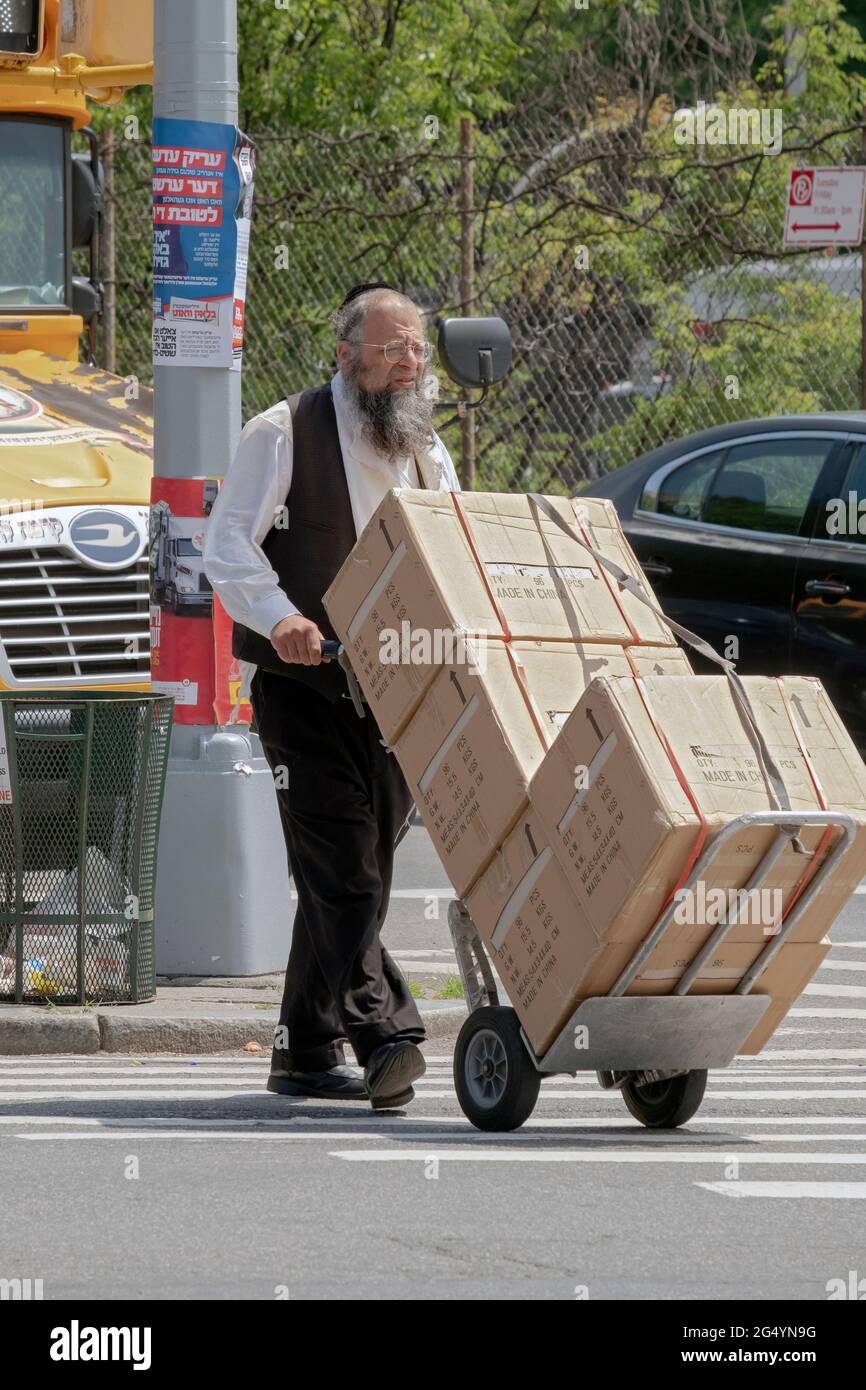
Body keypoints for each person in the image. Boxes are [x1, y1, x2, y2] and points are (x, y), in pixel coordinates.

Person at [202, 285, 460, 1109]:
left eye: (416, 349)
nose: (407, 364)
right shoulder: (282, 432)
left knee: (357, 874)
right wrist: (281, 619)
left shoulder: (429, 451)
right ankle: (386, 1035)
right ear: (345, 353)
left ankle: (303, 1050)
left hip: (397, 692)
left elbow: (453, 547)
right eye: (389, 349)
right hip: (303, 690)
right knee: (345, 868)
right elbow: (227, 545)